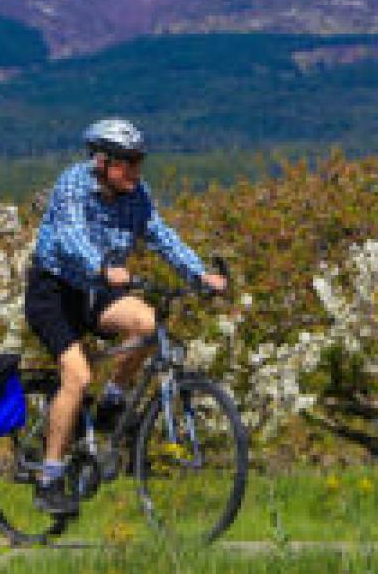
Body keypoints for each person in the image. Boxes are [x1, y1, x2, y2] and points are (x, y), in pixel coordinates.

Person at [24, 119, 227, 517]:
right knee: (78, 376)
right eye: (127, 162)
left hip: (98, 291)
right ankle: (49, 478)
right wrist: (102, 266)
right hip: (55, 292)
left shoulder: (137, 195)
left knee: (148, 325)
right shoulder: (73, 185)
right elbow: (70, 237)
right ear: (102, 162)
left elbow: (161, 235)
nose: (135, 170)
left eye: (139, 162)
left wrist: (199, 274)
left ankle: (113, 400)